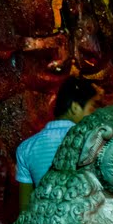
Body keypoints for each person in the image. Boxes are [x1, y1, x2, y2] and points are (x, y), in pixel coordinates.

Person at [15, 78, 97, 211]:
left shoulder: (26, 148)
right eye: (91, 108)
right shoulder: (91, 142)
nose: (94, 116)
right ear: (75, 107)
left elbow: (25, 208)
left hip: (45, 221)